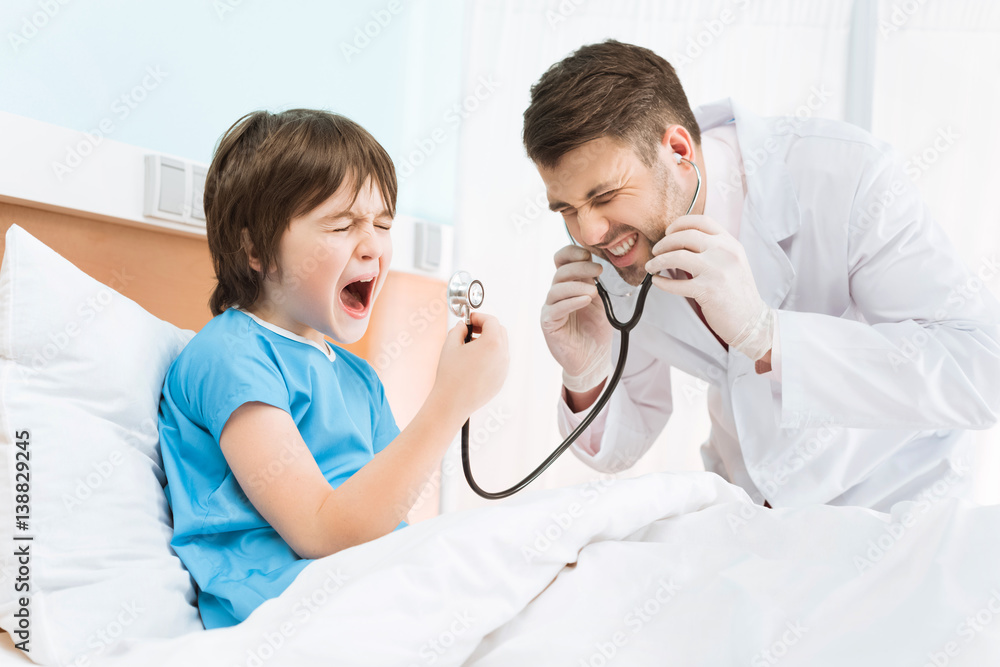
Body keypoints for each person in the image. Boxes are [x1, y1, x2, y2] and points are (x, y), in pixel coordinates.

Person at [524, 39, 1000, 511]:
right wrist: (585, 372)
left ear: (677, 148)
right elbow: (630, 437)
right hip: (751, 511)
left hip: (895, 500)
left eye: (604, 196)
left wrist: (767, 335)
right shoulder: (620, 255)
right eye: (566, 207)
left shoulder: (847, 177)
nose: (589, 231)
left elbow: (979, 370)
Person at [157, 109, 508, 629]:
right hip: (286, 612)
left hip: (368, 587)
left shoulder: (359, 378)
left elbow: (393, 520)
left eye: (383, 224)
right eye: (343, 225)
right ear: (255, 248)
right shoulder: (231, 356)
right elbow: (319, 532)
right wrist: (449, 403)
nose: (372, 245)